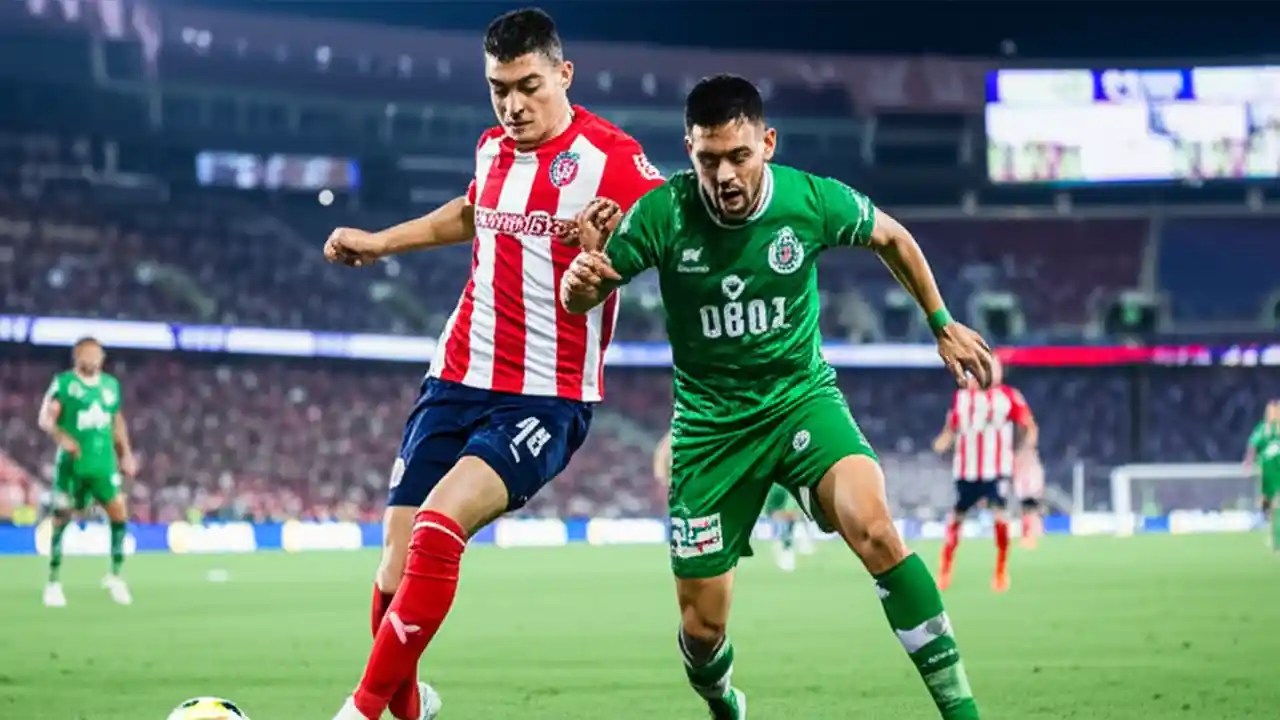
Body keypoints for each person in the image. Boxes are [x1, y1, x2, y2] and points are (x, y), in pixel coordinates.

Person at [562, 74, 990, 720]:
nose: (725, 175)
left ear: (767, 143)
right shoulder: (662, 213)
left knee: (875, 529)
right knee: (702, 631)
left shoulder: (808, 200)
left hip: (800, 402)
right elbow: (583, 296)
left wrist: (941, 323)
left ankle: (963, 711)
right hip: (709, 432)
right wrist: (584, 276)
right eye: (708, 160)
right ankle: (723, 700)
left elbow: (893, 238)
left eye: (739, 156)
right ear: (689, 151)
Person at [326, 8, 662, 720]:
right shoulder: (491, 150)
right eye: (498, 88)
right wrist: (381, 243)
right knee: (392, 565)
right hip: (455, 376)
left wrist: (618, 246)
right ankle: (410, 713)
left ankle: (355, 712)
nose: (512, 105)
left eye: (528, 86)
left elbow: (674, 230)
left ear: (564, 74)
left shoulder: (613, 158)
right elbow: (472, 213)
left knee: (441, 526)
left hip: (544, 395)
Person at [39, 337, 138, 607]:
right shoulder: (64, 383)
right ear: (77, 356)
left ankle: (115, 576)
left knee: (119, 512)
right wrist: (62, 438)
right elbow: (46, 419)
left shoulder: (110, 386)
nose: (94, 358)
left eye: (98, 354)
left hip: (103, 464)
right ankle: (53, 581)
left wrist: (126, 453)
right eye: (89, 354)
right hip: (71, 467)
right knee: (61, 518)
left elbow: (116, 421)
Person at [931, 357, 1037, 591]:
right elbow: (951, 429)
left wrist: (1025, 450)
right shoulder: (961, 398)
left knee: (1000, 517)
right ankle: (945, 571)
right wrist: (942, 442)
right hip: (966, 471)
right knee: (956, 519)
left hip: (995, 470)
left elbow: (1029, 425)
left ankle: (1000, 570)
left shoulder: (1008, 396)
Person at [1244, 399, 1280, 550]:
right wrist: (1248, 462)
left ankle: (1275, 540)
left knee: (1277, 505)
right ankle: (1273, 536)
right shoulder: (1262, 429)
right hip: (1267, 474)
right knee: (1270, 506)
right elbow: (1252, 445)